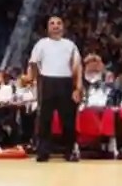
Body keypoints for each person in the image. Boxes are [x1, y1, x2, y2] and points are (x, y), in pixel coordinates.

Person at [28, 15, 83, 162]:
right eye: (52, 23)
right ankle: (43, 152)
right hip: (47, 82)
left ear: (63, 27)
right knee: (44, 119)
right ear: (47, 28)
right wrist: (30, 80)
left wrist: (78, 88)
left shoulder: (70, 45)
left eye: (59, 23)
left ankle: (70, 151)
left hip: (66, 82)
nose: (55, 26)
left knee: (68, 120)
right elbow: (33, 64)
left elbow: (77, 67)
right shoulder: (41, 44)